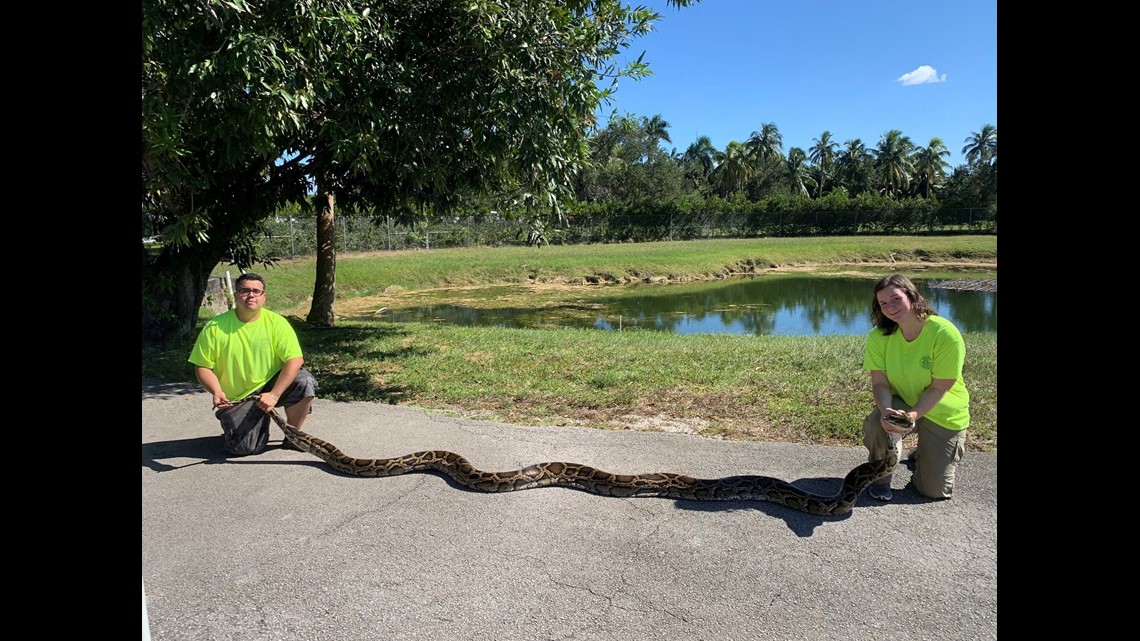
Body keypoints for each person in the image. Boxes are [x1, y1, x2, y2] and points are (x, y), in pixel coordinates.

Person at [862, 274, 969, 501]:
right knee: (876, 423)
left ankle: (922, 453)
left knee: (934, 491)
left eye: (896, 299)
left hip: (943, 411)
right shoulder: (879, 337)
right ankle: (880, 478)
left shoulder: (944, 333)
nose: (890, 307)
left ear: (911, 296)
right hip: (903, 401)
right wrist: (886, 411)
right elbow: (880, 383)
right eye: (883, 303)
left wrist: (911, 416)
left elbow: (939, 387)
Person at [188, 272, 319, 456]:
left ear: (264, 297)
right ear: (236, 295)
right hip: (239, 398)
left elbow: (295, 360)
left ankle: (293, 436)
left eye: (256, 291)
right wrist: (216, 391)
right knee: (245, 448)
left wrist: (274, 395)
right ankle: (248, 423)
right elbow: (202, 366)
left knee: (304, 381)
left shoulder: (277, 323)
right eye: (245, 291)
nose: (251, 295)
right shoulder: (215, 327)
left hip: (270, 386)